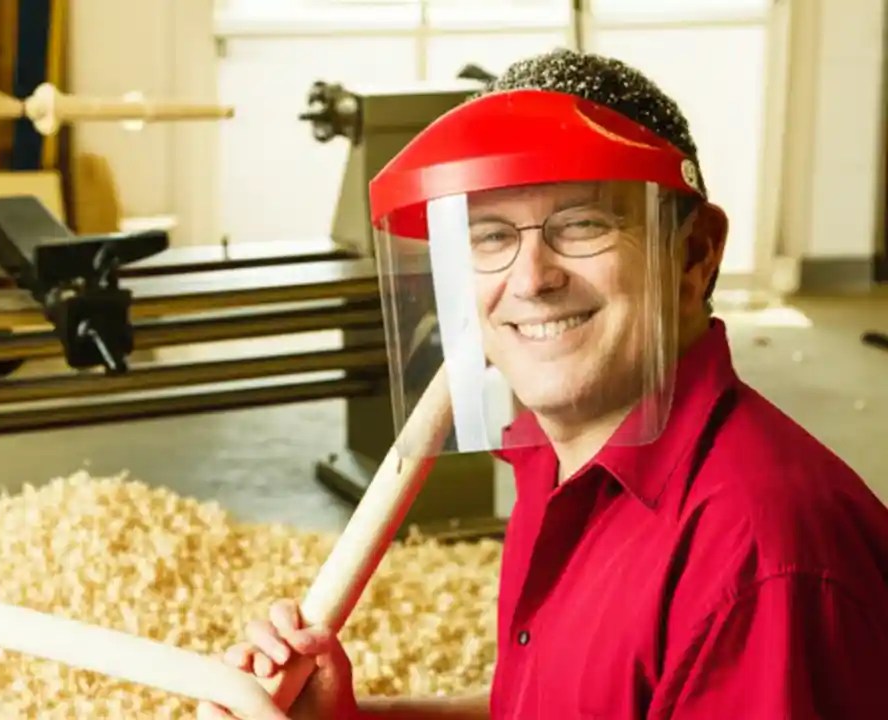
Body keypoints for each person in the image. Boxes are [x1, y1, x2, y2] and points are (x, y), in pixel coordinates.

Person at [198, 49, 888, 720]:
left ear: (694, 255)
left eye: (583, 224)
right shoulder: (556, 458)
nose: (530, 279)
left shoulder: (762, 567)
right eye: (491, 236)